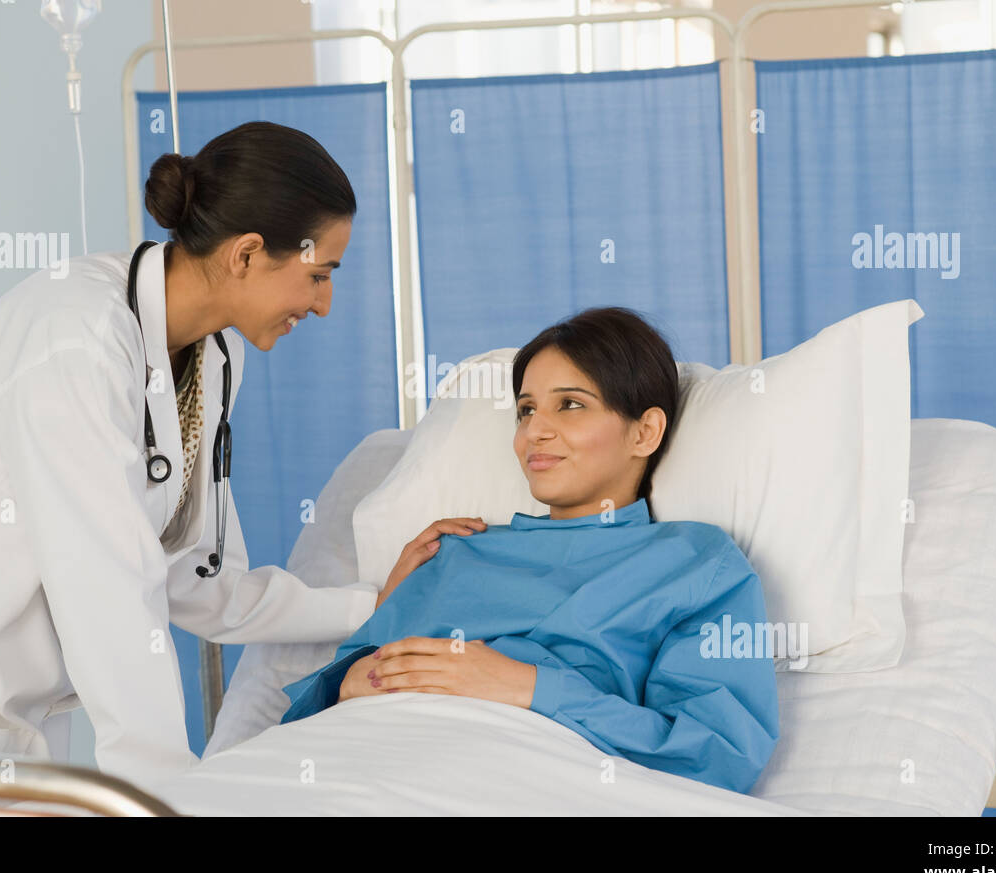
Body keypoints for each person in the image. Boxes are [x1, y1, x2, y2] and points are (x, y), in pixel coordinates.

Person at [0, 120, 478, 793]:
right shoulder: (76, 338)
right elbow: (105, 584)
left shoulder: (215, 355)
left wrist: (368, 603)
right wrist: (161, 794)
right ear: (246, 254)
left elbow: (203, 584)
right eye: (318, 274)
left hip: (6, 713)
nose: (326, 303)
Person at [280, 307, 780, 793]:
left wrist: (524, 685)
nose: (534, 432)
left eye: (571, 404)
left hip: (517, 772)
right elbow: (321, 700)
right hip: (357, 758)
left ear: (644, 431)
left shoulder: (694, 562)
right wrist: (356, 672)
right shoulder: (455, 551)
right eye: (526, 410)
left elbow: (715, 753)